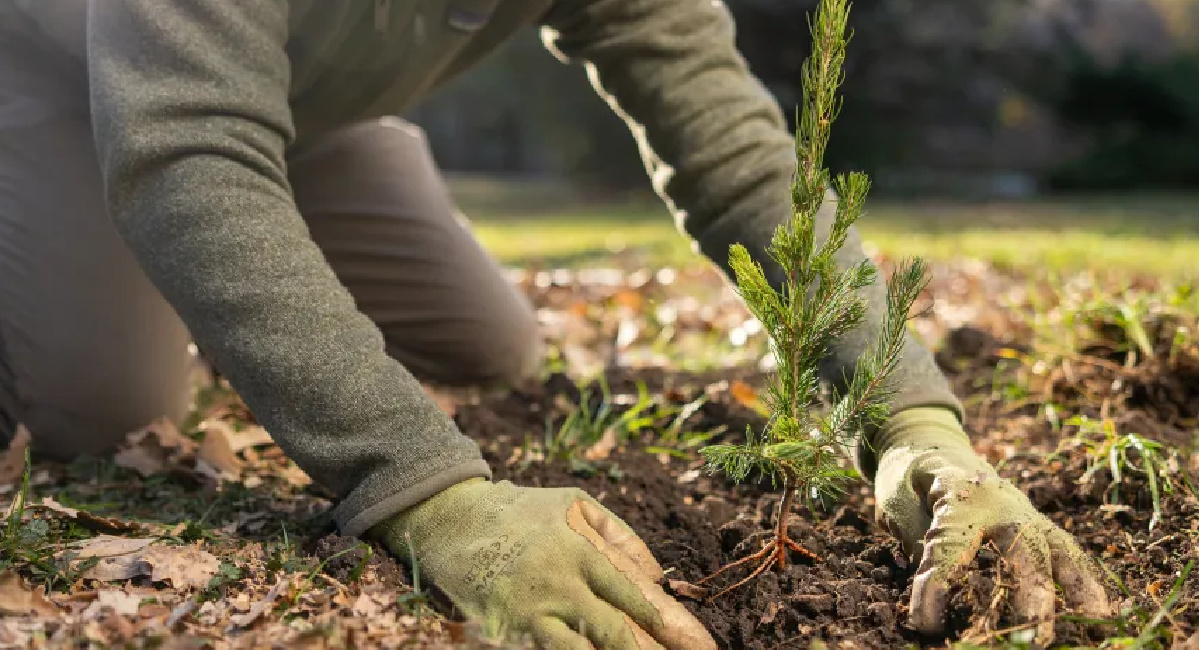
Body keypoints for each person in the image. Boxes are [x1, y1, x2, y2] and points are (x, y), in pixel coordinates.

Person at [0, 1, 1111, 648]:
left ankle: (266, 214)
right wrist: (428, 491)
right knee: (103, 403)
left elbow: (739, 158)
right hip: (79, 79)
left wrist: (916, 419)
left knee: (494, 351)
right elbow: (186, 143)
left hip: (306, 101)